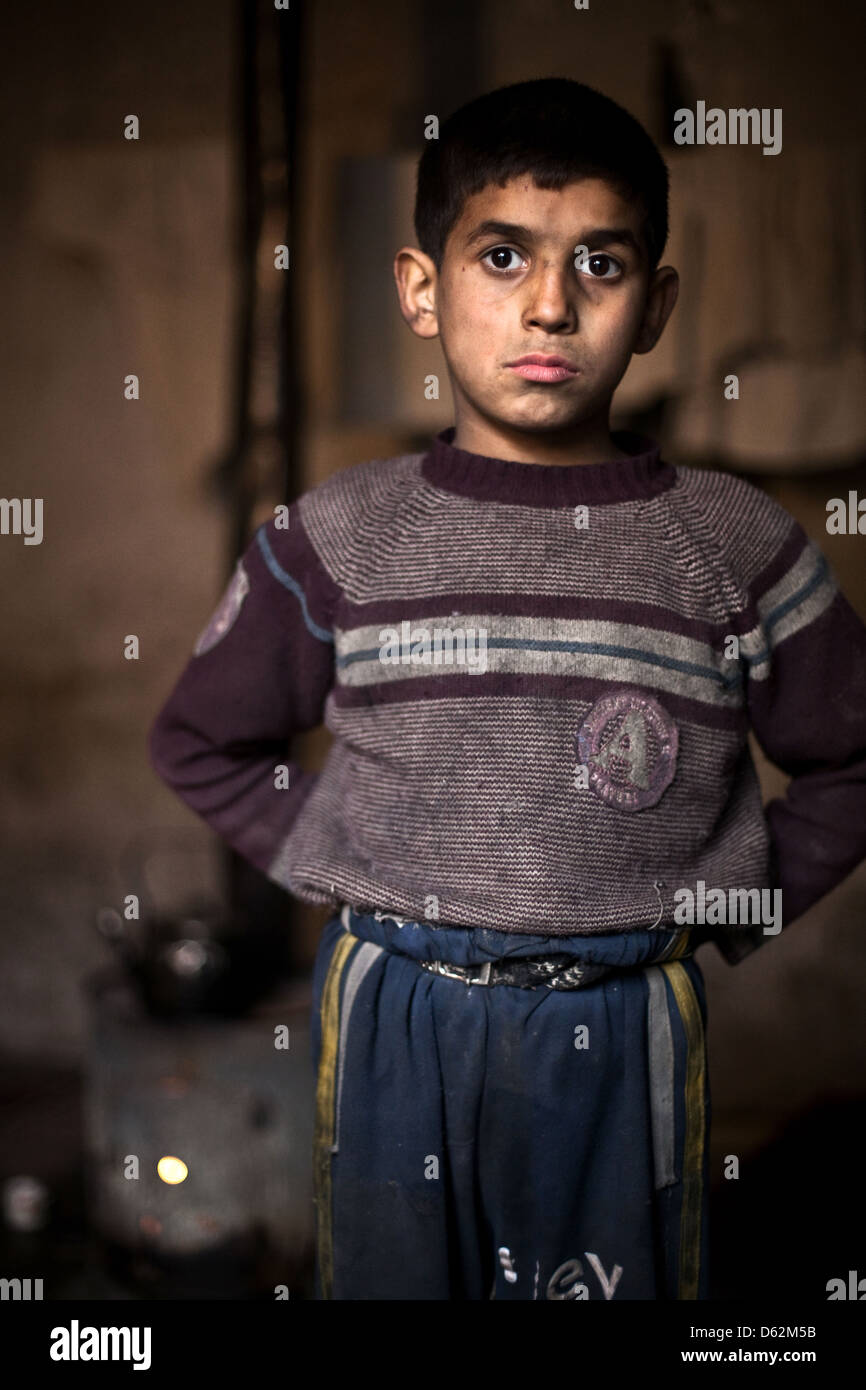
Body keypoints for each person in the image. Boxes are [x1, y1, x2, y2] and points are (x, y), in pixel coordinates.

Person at [147, 78, 866, 1300]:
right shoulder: (344, 535)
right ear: (421, 290)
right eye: (500, 255)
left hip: (621, 1028)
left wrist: (729, 900)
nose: (548, 303)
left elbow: (852, 756)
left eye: (600, 262)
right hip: (393, 1020)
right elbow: (202, 737)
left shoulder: (729, 544)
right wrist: (346, 849)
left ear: (655, 306)